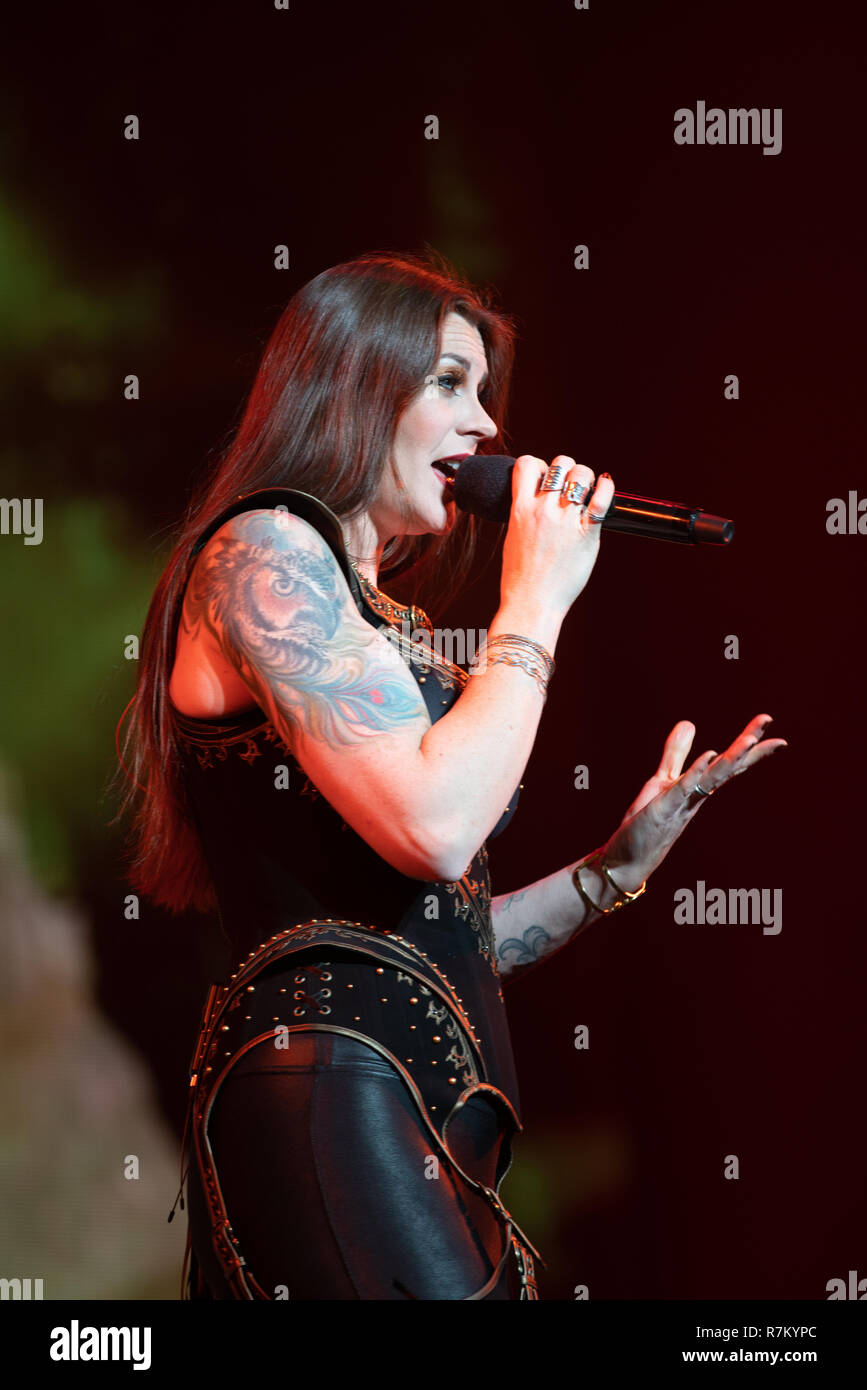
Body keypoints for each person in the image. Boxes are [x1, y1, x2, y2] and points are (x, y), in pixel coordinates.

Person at [113, 251, 787, 1300]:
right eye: (448, 384)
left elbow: (430, 930)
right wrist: (535, 603)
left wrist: (613, 868)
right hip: (332, 1082)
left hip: (412, 1098)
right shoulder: (264, 553)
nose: (486, 428)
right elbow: (433, 829)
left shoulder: (376, 616)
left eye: (486, 393)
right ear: (351, 382)